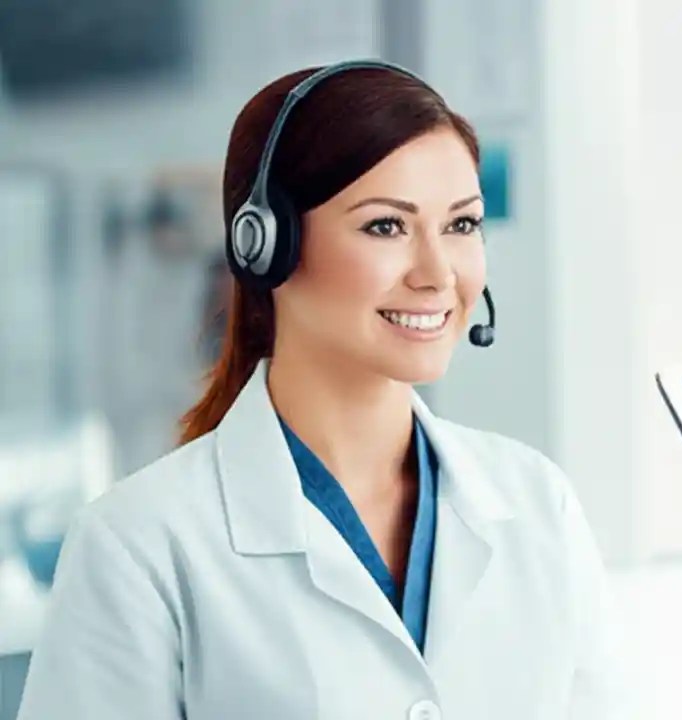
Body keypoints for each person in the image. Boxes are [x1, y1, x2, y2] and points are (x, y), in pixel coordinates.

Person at [19, 62, 625, 719]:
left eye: (461, 225)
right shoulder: (138, 545)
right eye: (386, 227)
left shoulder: (537, 501)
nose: (437, 273)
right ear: (265, 245)